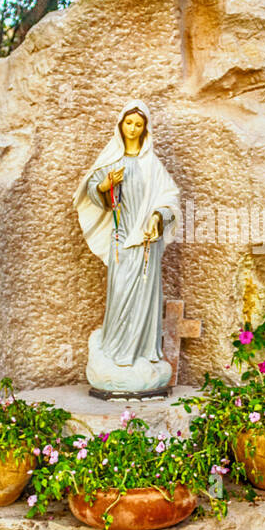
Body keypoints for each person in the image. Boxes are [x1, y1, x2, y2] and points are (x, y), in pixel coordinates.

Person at [73, 100, 181, 395]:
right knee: (120, 291)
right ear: (120, 125)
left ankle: (140, 354)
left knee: (145, 295)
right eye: (128, 123)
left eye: (138, 124)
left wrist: (158, 217)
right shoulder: (110, 162)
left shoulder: (152, 165)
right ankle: (115, 350)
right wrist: (105, 186)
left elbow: (171, 198)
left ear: (145, 128)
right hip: (122, 239)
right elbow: (95, 194)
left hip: (147, 240)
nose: (133, 128)